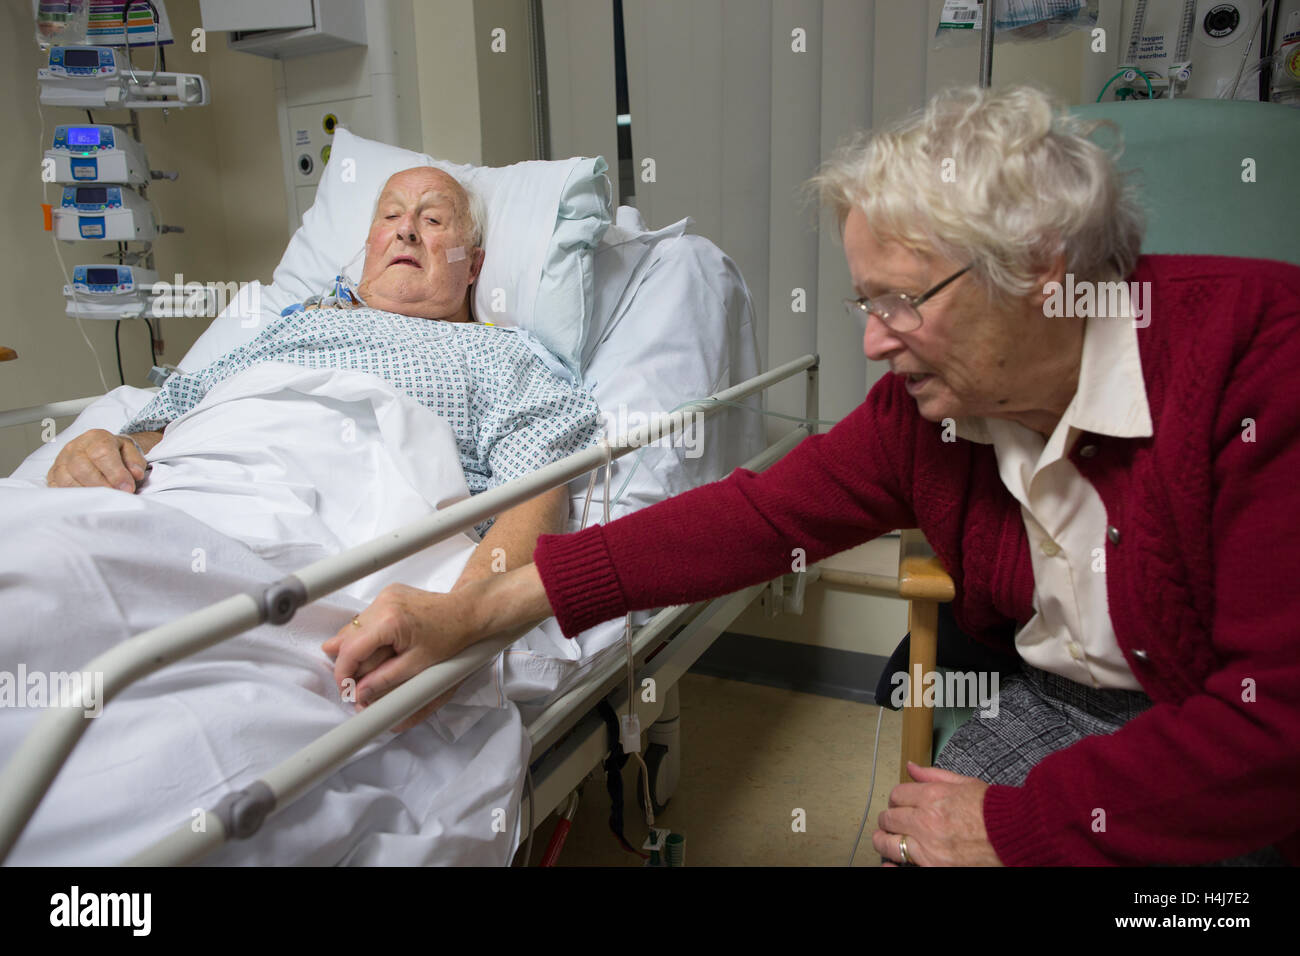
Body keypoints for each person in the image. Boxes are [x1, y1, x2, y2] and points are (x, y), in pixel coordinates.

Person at [324, 85, 1300, 866]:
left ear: (1040, 271)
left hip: (1236, 738)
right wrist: (482, 609)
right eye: (862, 301)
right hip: (1068, 701)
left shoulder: (1261, 364)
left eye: (901, 301)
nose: (873, 341)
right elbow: (751, 518)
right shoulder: (932, 418)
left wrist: (1018, 826)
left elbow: (1275, 723)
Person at [44, 166, 601, 592]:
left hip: (319, 544)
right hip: (172, 495)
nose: (405, 230)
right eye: (389, 217)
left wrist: (463, 613)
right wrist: (106, 446)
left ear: (473, 264)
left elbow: (537, 492)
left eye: (432, 221)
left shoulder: (498, 354)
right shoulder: (295, 327)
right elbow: (173, 414)